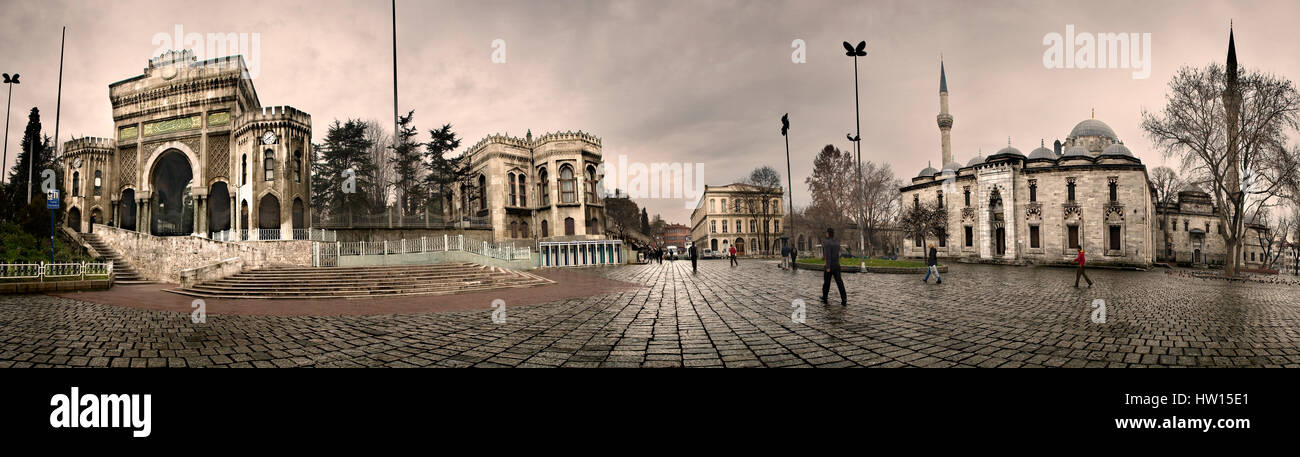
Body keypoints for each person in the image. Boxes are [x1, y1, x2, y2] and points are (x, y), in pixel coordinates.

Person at [821, 228, 846, 305]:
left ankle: (825, 297)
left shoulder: (827, 243)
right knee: (839, 282)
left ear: (828, 233)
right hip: (837, 265)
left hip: (830, 266)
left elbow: (828, 255)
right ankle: (844, 298)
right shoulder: (837, 243)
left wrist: (827, 267)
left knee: (826, 283)